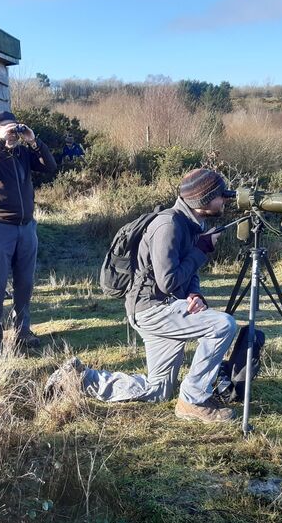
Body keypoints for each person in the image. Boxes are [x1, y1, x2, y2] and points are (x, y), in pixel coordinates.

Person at [46, 168, 239, 423]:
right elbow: (168, 281)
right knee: (223, 325)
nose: (225, 199)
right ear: (203, 201)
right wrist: (202, 250)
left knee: (158, 390)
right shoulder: (168, 225)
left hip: (160, 306)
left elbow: (185, 271)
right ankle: (194, 399)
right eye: (220, 195)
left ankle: (80, 378)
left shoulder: (192, 224)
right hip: (152, 310)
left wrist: (195, 294)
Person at [0, 111, 57, 352]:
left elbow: (50, 166)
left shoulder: (22, 152)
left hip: (26, 227)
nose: (13, 132)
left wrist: (33, 141)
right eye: (8, 128)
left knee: (25, 283)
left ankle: (22, 331)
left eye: (15, 128)